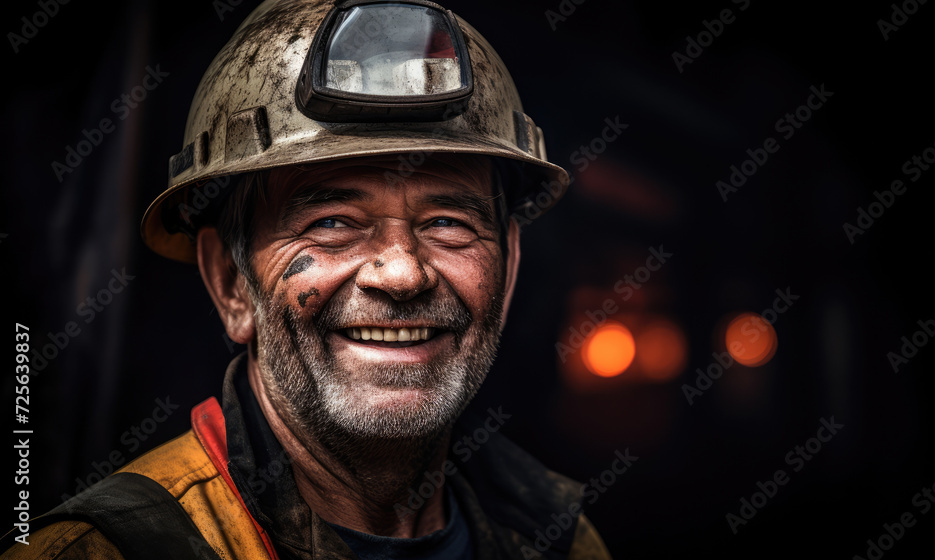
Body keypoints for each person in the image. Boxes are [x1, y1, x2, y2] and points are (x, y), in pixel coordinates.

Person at [2, 0, 611, 559]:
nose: (402, 273)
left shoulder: (561, 540)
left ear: (506, 272)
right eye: (333, 222)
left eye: (448, 222)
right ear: (231, 283)